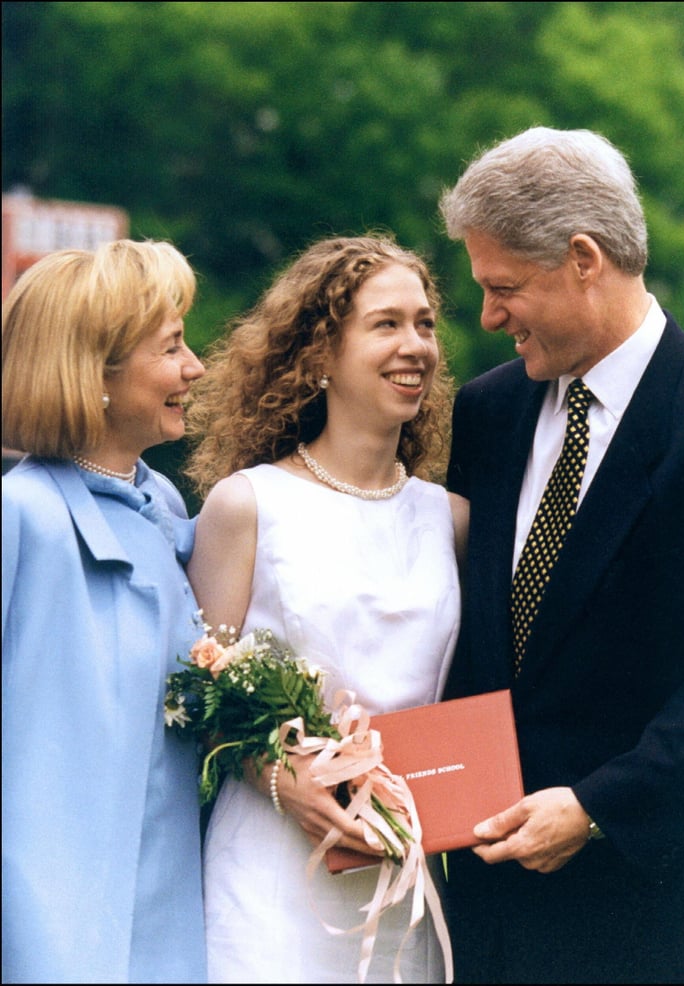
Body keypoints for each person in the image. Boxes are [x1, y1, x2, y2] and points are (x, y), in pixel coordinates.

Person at [437, 126, 684, 984]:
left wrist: (599, 808)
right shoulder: (486, 413)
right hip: (482, 915)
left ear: (583, 258)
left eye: (504, 287)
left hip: (650, 911)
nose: (488, 317)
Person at [183, 234, 469, 984]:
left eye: (425, 323)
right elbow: (198, 693)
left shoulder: (452, 520)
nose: (416, 346)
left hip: (404, 881)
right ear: (317, 356)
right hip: (275, 879)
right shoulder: (247, 505)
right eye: (386, 324)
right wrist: (284, 781)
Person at [2, 240, 208, 984]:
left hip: (166, 910)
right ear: (94, 373)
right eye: (173, 347)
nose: (196, 369)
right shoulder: (17, 514)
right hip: (47, 927)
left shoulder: (164, 505)